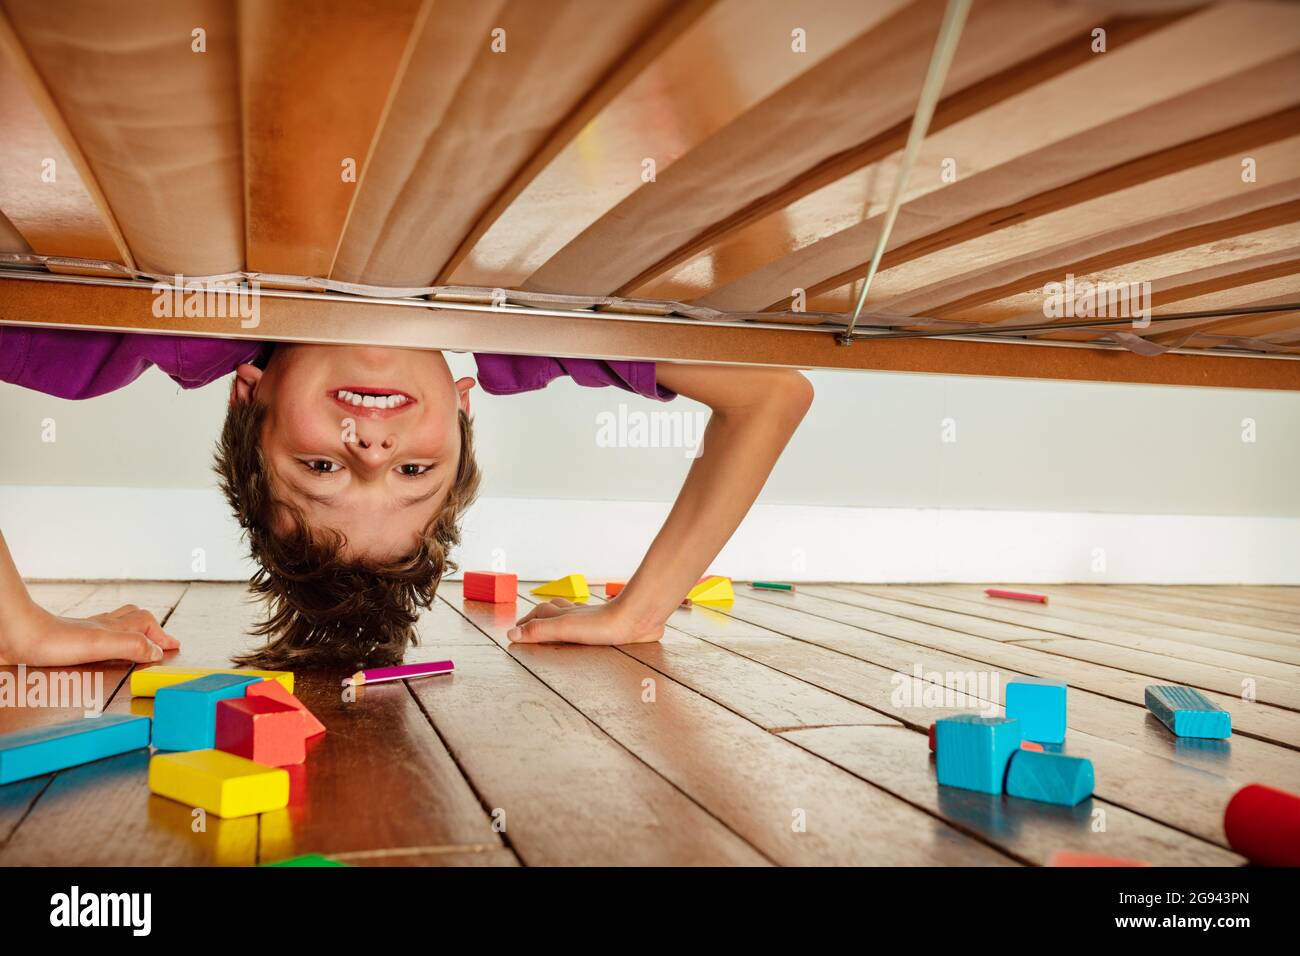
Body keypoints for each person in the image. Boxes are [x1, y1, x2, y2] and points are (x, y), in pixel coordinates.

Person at [0, 326, 812, 668]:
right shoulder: (540, 321)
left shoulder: (128, 336)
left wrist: (18, 624)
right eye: (413, 476)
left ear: (247, 396)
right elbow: (771, 395)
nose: (374, 449)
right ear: (464, 409)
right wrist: (638, 613)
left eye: (320, 469)